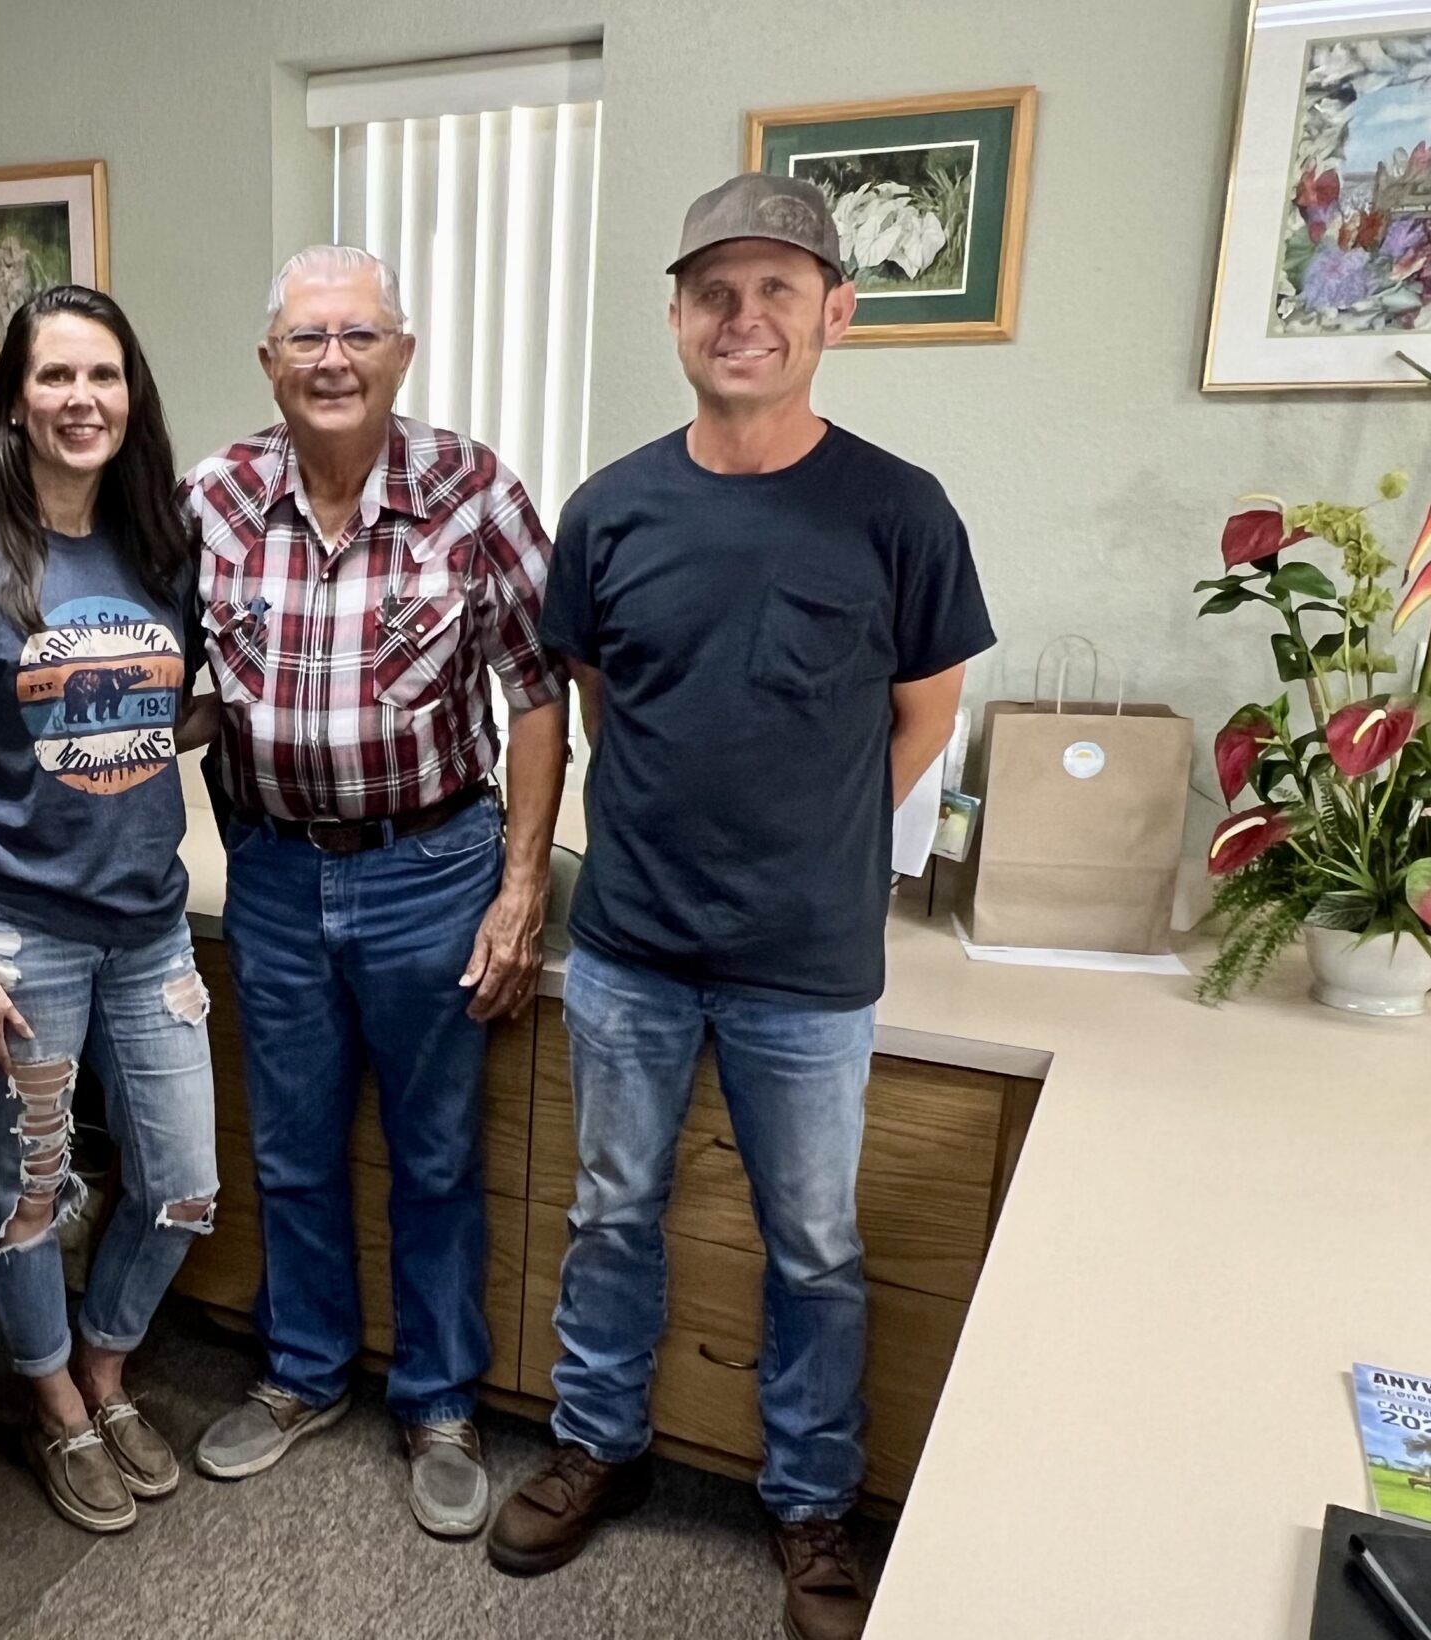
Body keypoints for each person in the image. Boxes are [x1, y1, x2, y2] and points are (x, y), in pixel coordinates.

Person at [485, 174, 995, 1640]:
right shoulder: (609, 509)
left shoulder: (899, 510)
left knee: (814, 1245)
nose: (743, 316)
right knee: (610, 1212)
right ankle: (597, 1446)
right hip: (631, 948)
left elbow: (923, 717)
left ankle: (811, 1503)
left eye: (778, 288)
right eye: (715, 290)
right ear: (676, 317)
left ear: (838, 312)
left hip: (805, 965)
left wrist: (812, 845)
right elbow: (601, 701)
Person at [185, 245, 569, 1541]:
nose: (333, 360)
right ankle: (304, 1374)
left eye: (358, 335)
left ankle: (440, 1401)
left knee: (435, 1156)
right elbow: (155, 676)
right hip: (274, 871)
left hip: (432, 871)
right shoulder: (212, 499)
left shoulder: (474, 491)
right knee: (290, 1148)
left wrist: (521, 886)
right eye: (307, 338)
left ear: (401, 352)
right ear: (269, 361)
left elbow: (537, 694)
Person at [0, 284, 221, 1537]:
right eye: (56, 376)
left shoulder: (163, 551)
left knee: (182, 1181)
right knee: (30, 1191)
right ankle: (54, 1397)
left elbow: (164, 705)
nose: (82, 399)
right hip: (18, 933)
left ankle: (107, 1363)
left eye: (103, 376)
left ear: (132, 396)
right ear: (14, 401)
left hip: (148, 924)